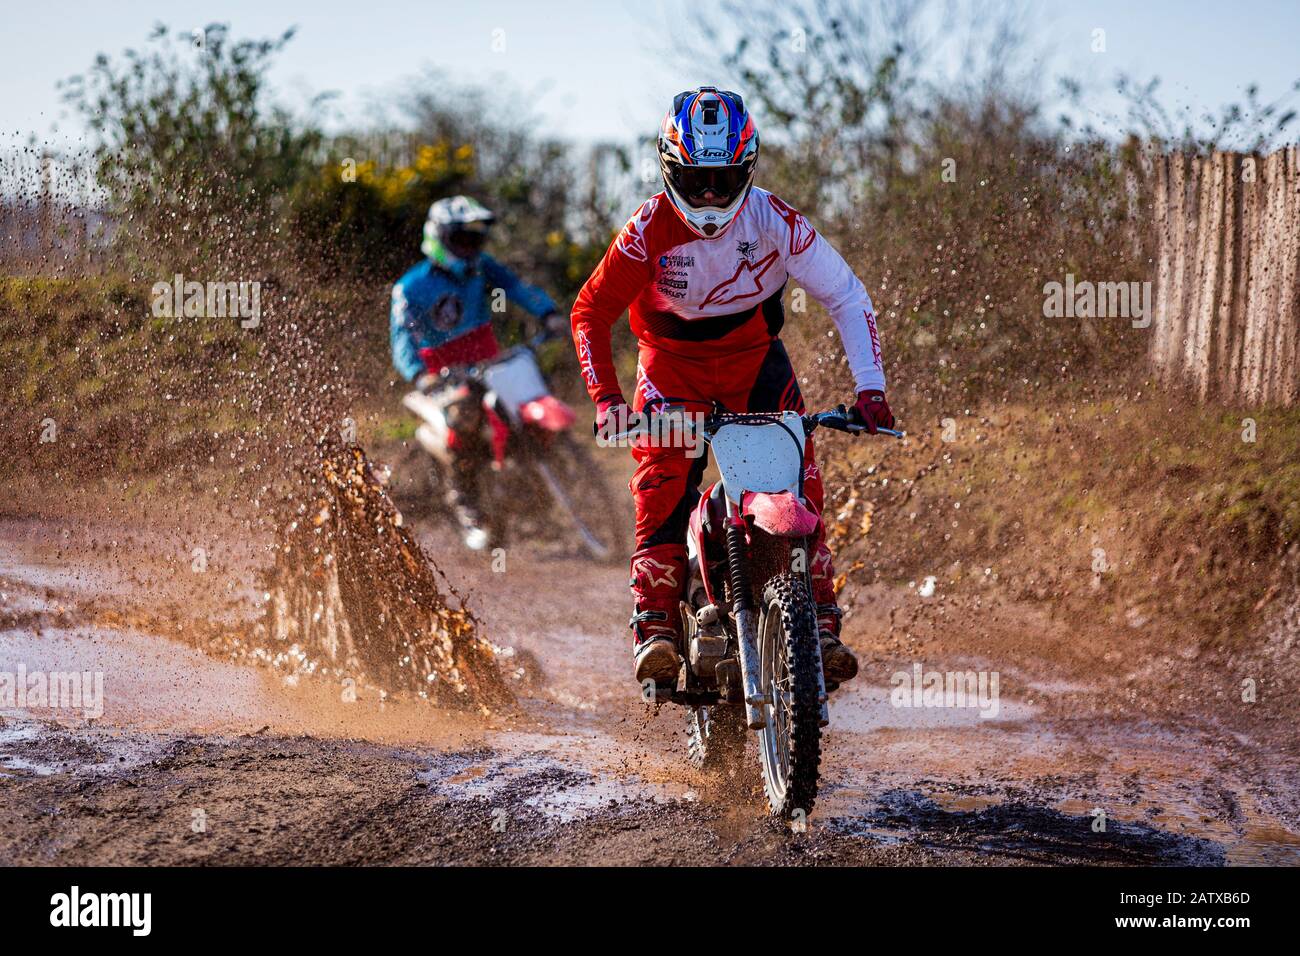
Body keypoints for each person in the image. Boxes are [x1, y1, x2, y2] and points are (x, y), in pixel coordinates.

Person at [569, 87, 895, 685]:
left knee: (803, 482)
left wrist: (870, 389)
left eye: (725, 178)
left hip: (755, 363)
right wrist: (608, 401)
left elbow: (845, 294)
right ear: (671, 171)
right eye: (698, 181)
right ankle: (658, 627)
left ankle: (819, 625)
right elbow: (589, 311)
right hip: (671, 369)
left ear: (748, 168)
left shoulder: (777, 220)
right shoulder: (647, 230)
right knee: (661, 487)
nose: (713, 195)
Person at [391, 195, 565, 549]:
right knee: (465, 425)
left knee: (528, 405)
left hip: (489, 364)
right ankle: (466, 505)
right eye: (461, 239)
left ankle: (537, 497)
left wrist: (547, 311)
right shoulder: (410, 288)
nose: (469, 248)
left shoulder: (482, 267)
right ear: (439, 238)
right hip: (443, 375)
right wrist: (419, 374)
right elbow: (403, 339)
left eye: (475, 239)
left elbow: (515, 287)